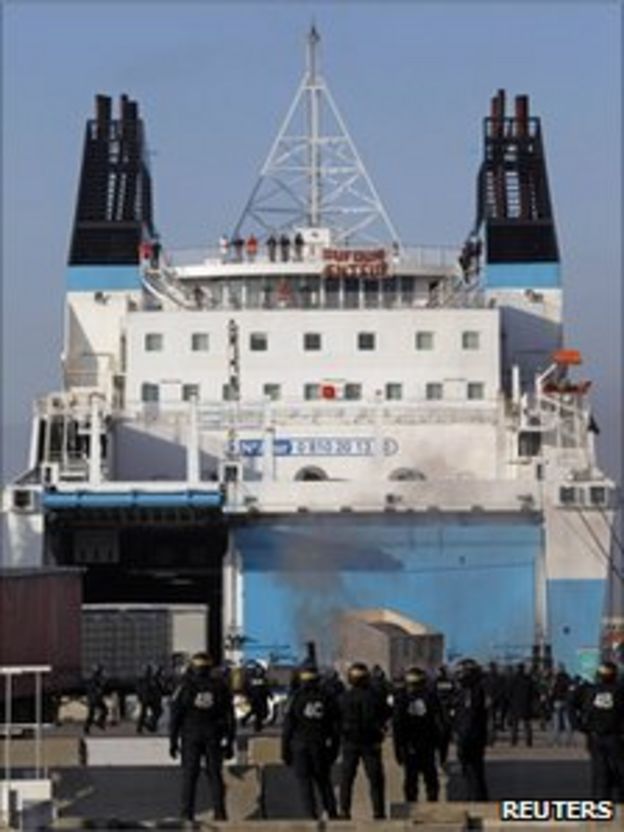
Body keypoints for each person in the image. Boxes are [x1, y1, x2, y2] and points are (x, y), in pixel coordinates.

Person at [169, 652, 236, 823]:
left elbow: (175, 715)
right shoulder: (220, 687)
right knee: (215, 775)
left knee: (190, 776)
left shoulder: (185, 687)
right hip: (213, 735)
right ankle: (220, 813)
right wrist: (230, 741)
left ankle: (186, 814)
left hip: (191, 735)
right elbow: (230, 716)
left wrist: (172, 741)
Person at [281, 663, 339, 820]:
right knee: (324, 782)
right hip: (320, 745)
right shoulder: (327, 698)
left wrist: (285, 752)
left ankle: (310, 817)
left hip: (300, 747)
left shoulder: (295, 698)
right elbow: (335, 727)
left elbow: (288, 728)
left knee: (305, 784)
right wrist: (334, 750)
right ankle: (332, 814)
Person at [337, 662, 390, 820]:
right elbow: (386, 713)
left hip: (350, 743)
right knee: (375, 780)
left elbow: (336, 719)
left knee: (346, 779)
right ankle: (379, 812)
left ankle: (344, 811)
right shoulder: (375, 697)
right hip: (371, 743)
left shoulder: (344, 698)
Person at [392, 666, 442, 803]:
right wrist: (441, 746)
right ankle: (431, 805)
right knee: (429, 779)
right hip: (426, 744)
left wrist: (398, 748)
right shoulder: (431, 698)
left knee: (411, 779)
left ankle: (411, 806)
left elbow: (397, 726)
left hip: (411, 745)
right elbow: (440, 724)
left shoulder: (402, 698)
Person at [579, 661, 624, 800]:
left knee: (599, 769)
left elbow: (575, 705)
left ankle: (599, 798)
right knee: (618, 768)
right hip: (615, 736)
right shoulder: (620, 690)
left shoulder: (590, 690)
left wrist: (581, 727)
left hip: (595, 736)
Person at [452, 658, 489, 801]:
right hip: (474, 736)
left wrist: (463, 739)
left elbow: (469, 716)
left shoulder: (471, 692)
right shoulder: (474, 690)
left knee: (473, 771)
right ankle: (477, 797)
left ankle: (477, 800)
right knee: (474, 771)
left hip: (471, 737)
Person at [508, 663, 535, 747]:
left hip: (515, 704)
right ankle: (529, 741)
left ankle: (513, 741)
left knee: (515, 725)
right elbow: (533, 693)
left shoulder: (513, 679)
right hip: (526, 704)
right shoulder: (528, 679)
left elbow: (508, 692)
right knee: (527, 724)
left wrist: (511, 701)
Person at [434, 665, 455, 767]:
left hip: (438, 713)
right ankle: (442, 759)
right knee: (445, 738)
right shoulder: (449, 682)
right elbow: (453, 695)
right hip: (445, 712)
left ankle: (440, 759)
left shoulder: (434, 682)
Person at [241, 663, 271, 732]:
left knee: (257, 711)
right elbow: (246, 688)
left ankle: (254, 724)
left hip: (260, 698)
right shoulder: (252, 679)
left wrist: (269, 695)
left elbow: (265, 688)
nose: (259, 672)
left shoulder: (262, 679)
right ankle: (257, 726)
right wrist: (247, 696)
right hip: (254, 698)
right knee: (257, 712)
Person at [136, 664, 165, 734]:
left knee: (145, 713)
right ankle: (148, 725)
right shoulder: (152, 679)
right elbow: (154, 688)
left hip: (147, 698)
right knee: (157, 711)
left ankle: (147, 726)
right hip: (150, 698)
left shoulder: (145, 678)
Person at [549, 664, 572, 746]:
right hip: (566, 701)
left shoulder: (555, 679)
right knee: (567, 721)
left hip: (557, 701)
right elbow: (571, 689)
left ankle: (556, 741)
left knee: (556, 722)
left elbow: (552, 691)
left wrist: (550, 700)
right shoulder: (568, 678)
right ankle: (568, 740)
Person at [84, 665, 108, 735]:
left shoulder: (94, 677)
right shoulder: (96, 678)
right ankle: (91, 726)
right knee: (94, 713)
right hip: (95, 698)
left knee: (103, 710)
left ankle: (97, 723)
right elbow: (97, 687)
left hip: (95, 698)